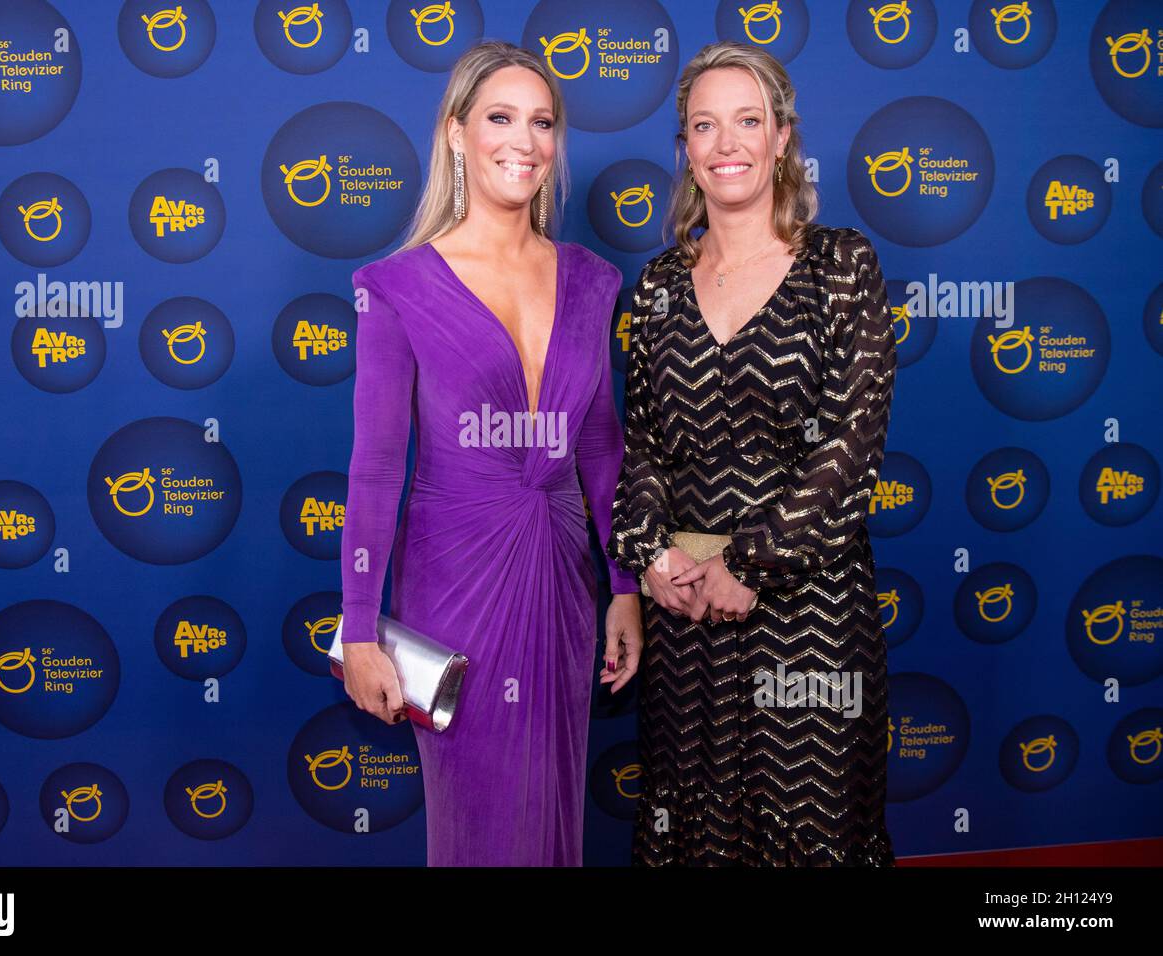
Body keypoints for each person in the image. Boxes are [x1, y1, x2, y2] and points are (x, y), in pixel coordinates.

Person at [337, 40, 643, 867]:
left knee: (551, 817)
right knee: (479, 828)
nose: (525, 140)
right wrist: (360, 631)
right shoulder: (398, 287)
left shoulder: (589, 280)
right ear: (455, 135)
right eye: (500, 118)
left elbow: (601, 447)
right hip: (458, 592)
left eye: (542, 122)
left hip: (565, 587)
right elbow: (374, 470)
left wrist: (622, 586)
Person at [609, 40, 898, 866]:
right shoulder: (659, 285)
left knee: (809, 836)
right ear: (686, 150)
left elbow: (851, 445)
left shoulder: (841, 266)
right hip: (688, 618)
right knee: (692, 831)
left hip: (809, 617)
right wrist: (654, 559)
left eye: (747, 121)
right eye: (705, 125)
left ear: (782, 139)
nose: (726, 143)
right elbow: (645, 449)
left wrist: (753, 566)